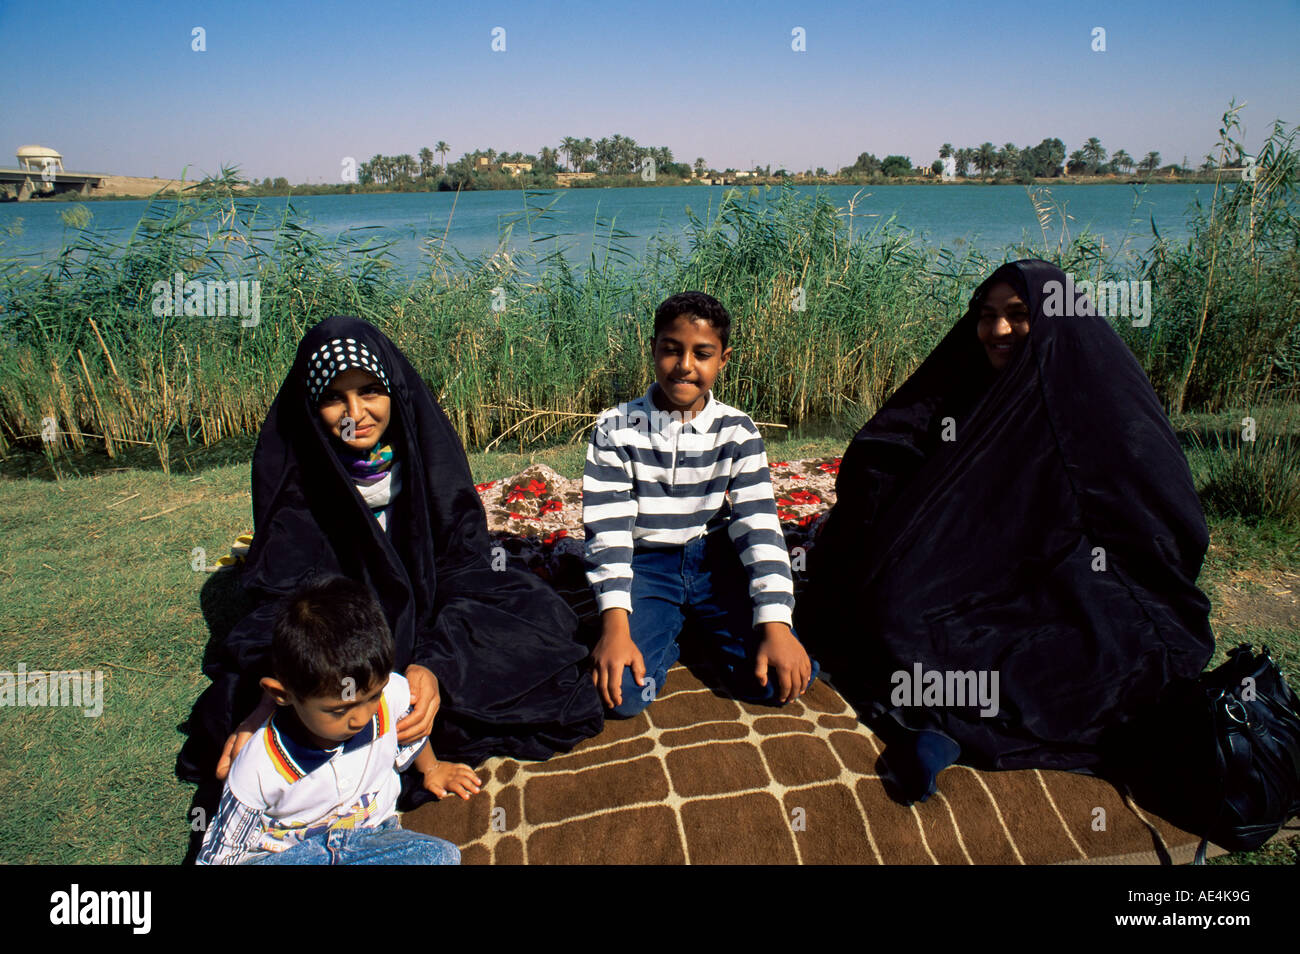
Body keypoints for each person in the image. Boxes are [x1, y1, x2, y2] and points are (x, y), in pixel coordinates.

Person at [798, 259, 1214, 803]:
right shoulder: (971, 376)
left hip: (1067, 569)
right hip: (973, 556)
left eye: (1017, 316)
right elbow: (895, 442)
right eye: (987, 316)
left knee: (1101, 656)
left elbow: (1161, 513)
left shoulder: (1094, 391)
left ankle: (940, 724)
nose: (997, 331)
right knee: (887, 609)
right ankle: (933, 719)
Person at [178, 316, 604, 800]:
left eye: (368, 392)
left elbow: (463, 566)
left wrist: (434, 667)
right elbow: (283, 597)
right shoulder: (298, 473)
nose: (353, 413)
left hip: (431, 613)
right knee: (243, 707)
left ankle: (399, 710)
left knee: (538, 617)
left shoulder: (427, 454)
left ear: (393, 392)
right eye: (333, 397)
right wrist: (266, 704)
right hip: (344, 635)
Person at [584, 291, 819, 716]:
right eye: (671, 350)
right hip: (647, 564)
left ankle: (698, 621)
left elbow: (759, 526)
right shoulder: (615, 428)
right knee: (623, 695)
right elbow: (610, 531)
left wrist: (776, 622)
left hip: (713, 558)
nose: (685, 365)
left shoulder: (738, 431)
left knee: (777, 681)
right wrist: (615, 623)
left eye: (702, 354)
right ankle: (672, 625)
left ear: (723, 360)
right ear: (653, 349)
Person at [198, 577, 469, 865]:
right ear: (282, 694)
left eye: (374, 696)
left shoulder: (389, 694)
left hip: (370, 839)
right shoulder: (258, 766)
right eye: (339, 711)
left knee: (440, 856)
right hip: (292, 856)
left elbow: (408, 728)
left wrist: (432, 767)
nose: (362, 718)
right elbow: (223, 850)